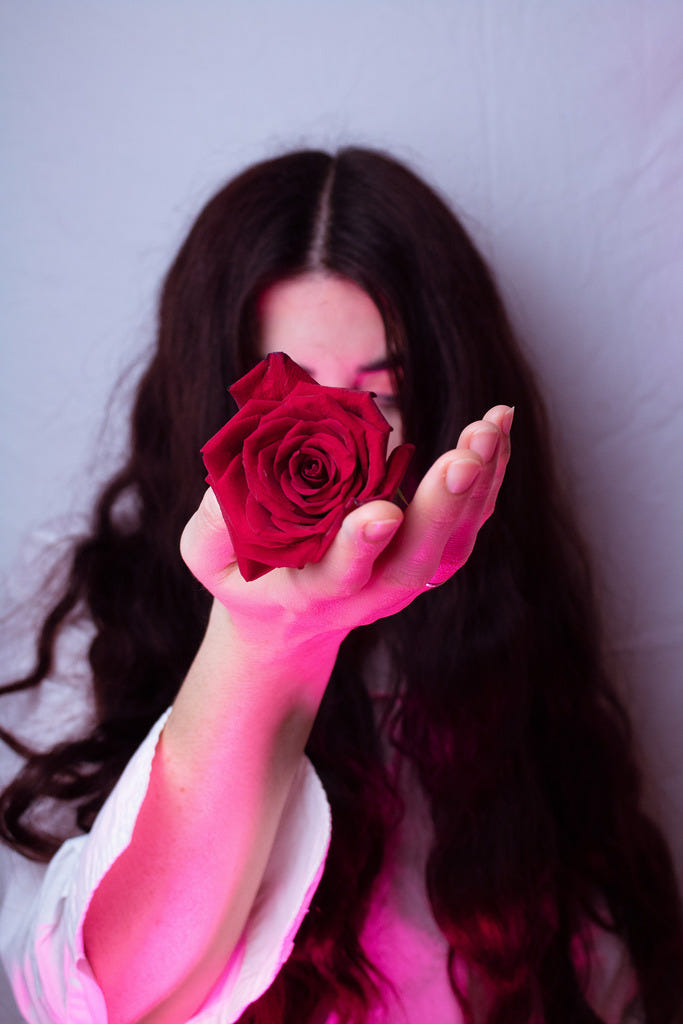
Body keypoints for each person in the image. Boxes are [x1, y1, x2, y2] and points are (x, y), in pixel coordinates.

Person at [0, 147, 681, 1024]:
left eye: (384, 396)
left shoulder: (506, 648)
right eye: (284, 391)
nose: (335, 435)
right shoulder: (96, 618)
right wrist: (266, 639)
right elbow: (85, 1002)